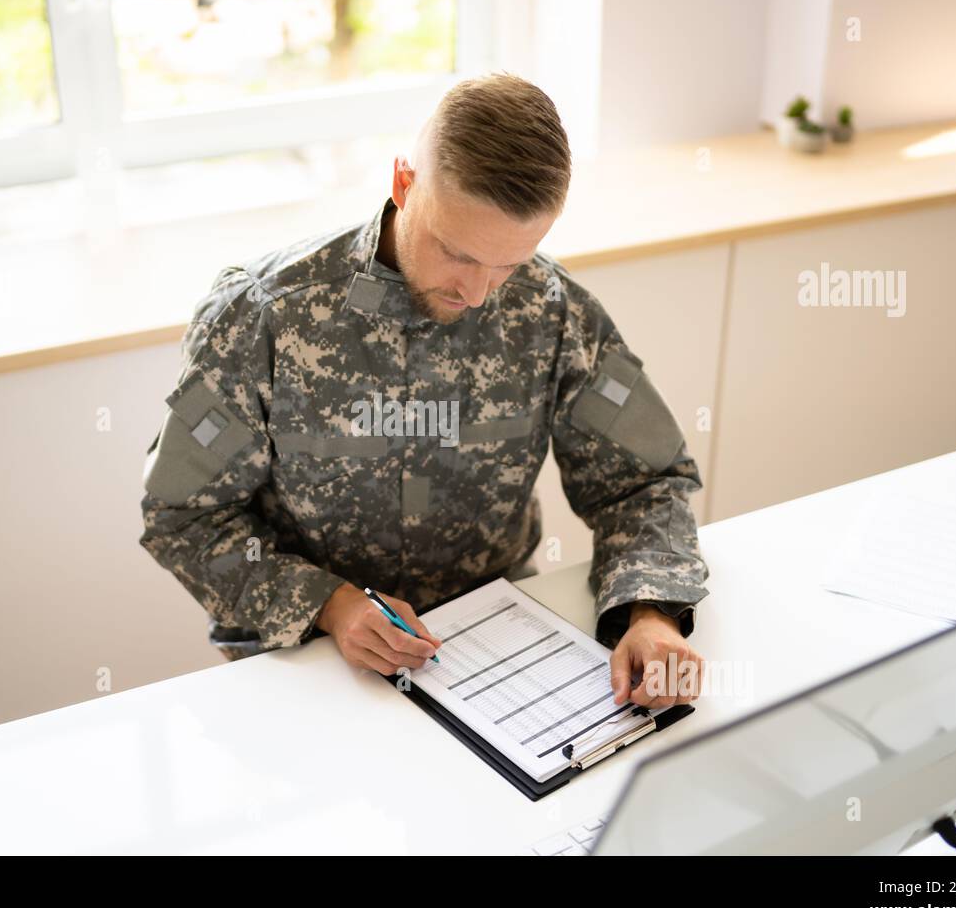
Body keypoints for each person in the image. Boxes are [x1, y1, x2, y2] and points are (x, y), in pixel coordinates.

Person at [140, 73, 709, 708]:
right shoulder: (264, 315)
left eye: (511, 264)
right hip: (307, 669)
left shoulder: (553, 311)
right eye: (458, 254)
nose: (479, 295)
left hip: (495, 654)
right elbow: (181, 517)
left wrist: (651, 611)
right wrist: (328, 604)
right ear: (403, 184)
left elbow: (644, 481)